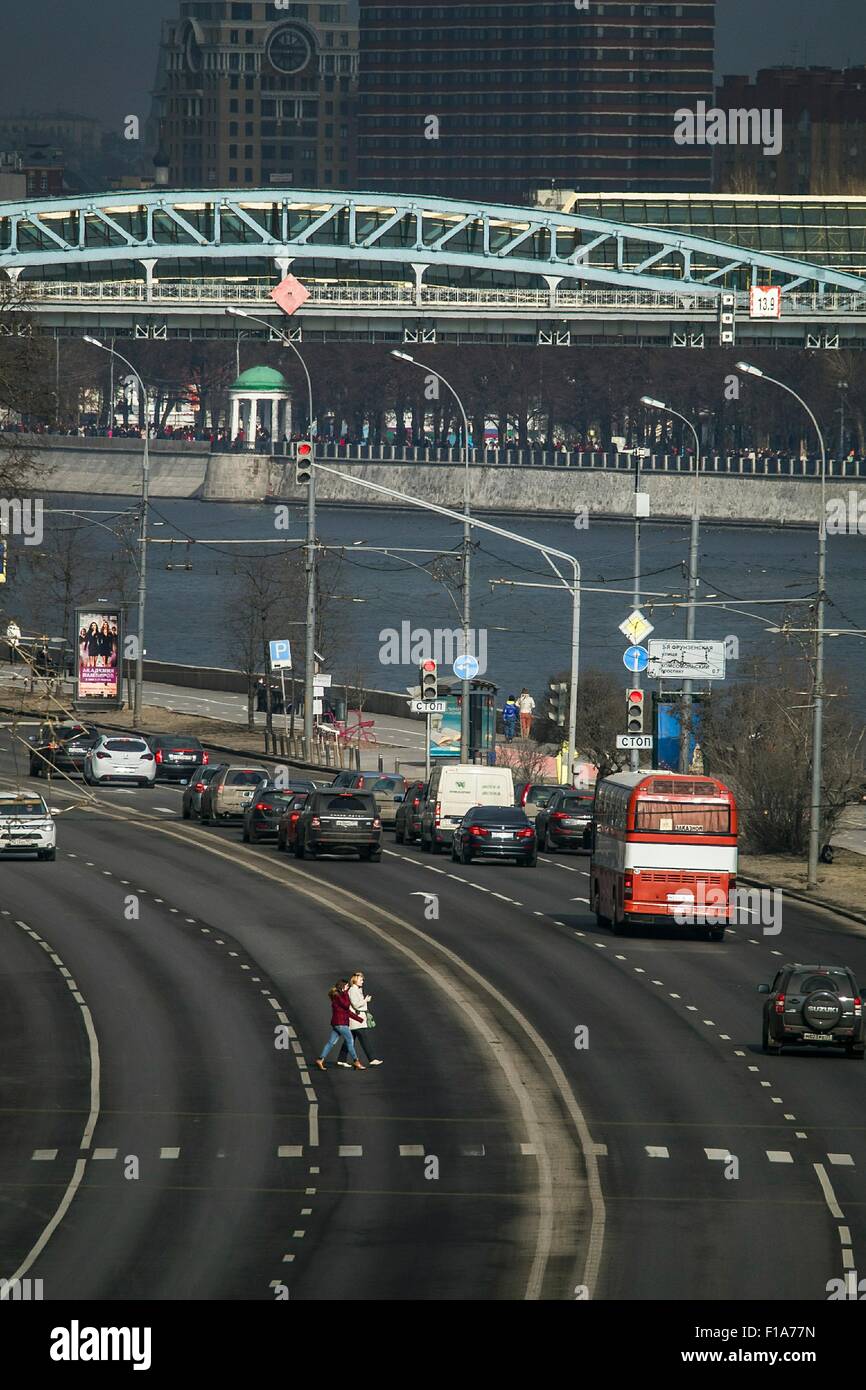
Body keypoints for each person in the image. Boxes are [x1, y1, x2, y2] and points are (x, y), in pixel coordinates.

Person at [337, 971, 383, 1068]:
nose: (362, 981)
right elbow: (356, 1004)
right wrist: (365, 1000)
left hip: (356, 1020)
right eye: (361, 979)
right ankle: (372, 1059)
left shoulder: (356, 989)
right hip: (356, 1020)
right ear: (355, 980)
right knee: (363, 1038)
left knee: (350, 1040)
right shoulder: (353, 990)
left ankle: (341, 1059)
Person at [315, 981, 365, 1070]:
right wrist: (346, 993)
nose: (348, 988)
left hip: (337, 1024)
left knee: (331, 1042)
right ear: (342, 987)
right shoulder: (339, 996)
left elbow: (347, 1012)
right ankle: (356, 1061)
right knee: (350, 1041)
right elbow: (346, 1005)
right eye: (346, 986)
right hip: (341, 1024)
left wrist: (359, 1019)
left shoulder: (338, 996)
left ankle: (320, 1059)